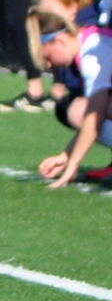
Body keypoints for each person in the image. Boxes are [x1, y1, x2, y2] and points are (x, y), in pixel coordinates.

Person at [35, 11, 112, 184]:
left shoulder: (92, 53)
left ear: (60, 41)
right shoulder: (91, 42)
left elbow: (94, 116)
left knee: (84, 110)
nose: (49, 64)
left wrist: (73, 165)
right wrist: (66, 156)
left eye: (48, 56)